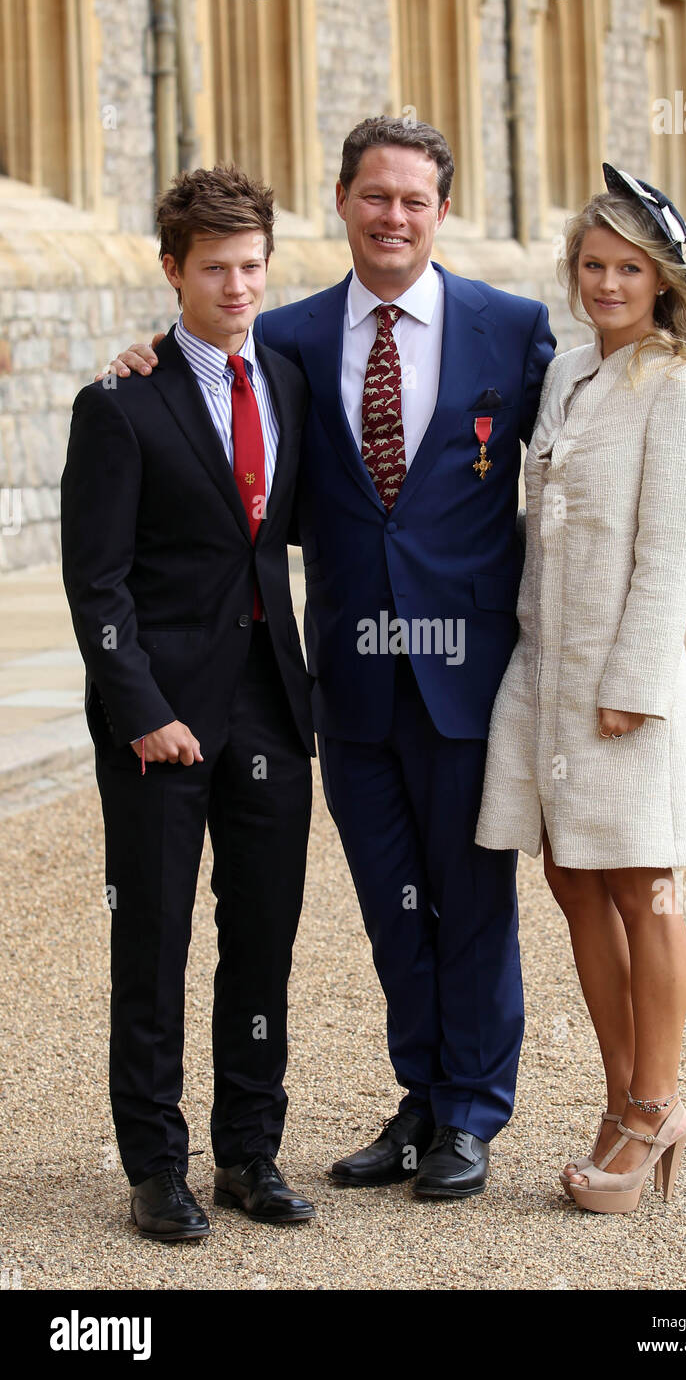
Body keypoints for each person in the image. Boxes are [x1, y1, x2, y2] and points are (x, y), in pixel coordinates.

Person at [103, 117, 556, 1199]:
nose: (393, 216)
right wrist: (137, 357)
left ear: (442, 210)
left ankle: (471, 1113)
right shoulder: (293, 338)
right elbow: (207, 396)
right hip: (344, 678)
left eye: (414, 199)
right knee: (391, 900)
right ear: (341, 201)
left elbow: (585, 428)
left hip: (467, 670)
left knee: (472, 898)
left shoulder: (516, 329)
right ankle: (418, 1098)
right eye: (374, 196)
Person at [476, 164, 686, 1212]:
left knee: (642, 885)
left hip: (620, 684)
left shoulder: (679, 388)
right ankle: (617, 1097)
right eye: (592, 265)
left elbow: (667, 553)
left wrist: (632, 683)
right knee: (570, 879)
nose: (605, 282)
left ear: (660, 279)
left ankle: (655, 1108)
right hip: (543, 673)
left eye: (625, 268)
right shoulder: (568, 374)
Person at [62, 165, 317, 1240]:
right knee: (154, 941)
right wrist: (139, 709)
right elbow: (97, 580)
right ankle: (156, 1166)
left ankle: (248, 1153)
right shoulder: (119, 401)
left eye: (252, 266)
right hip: (159, 717)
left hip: (269, 704)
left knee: (262, 937)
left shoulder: (291, 383)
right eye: (214, 269)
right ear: (172, 271)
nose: (237, 287)